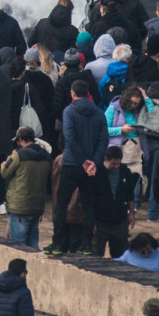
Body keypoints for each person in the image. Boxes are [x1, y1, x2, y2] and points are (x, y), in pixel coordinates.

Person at [52, 81, 108, 255]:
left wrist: (82, 160)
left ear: (72, 93)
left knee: (61, 203)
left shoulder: (69, 111)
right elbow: (103, 140)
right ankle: (86, 245)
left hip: (71, 163)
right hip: (91, 167)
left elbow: (69, 136)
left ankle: (59, 243)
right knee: (88, 205)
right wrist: (94, 162)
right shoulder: (99, 113)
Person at [85, 145, 140, 259]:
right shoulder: (97, 172)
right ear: (106, 159)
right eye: (113, 164)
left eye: (118, 164)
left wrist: (131, 213)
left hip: (119, 221)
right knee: (96, 255)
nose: (116, 167)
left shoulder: (125, 171)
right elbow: (89, 199)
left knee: (121, 256)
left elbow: (130, 194)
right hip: (100, 221)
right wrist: (91, 221)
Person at [0, 129, 52, 248]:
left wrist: (7, 160)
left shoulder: (18, 155)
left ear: (21, 140)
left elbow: (4, 173)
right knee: (33, 244)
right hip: (37, 206)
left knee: (18, 247)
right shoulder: (46, 156)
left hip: (20, 207)